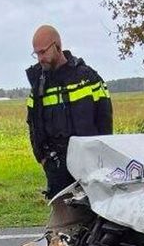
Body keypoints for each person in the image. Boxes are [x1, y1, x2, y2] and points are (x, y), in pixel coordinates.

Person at [26, 25, 112, 226]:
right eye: (36, 53)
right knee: (61, 230)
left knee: (95, 223)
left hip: (90, 166)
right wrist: (43, 158)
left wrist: (102, 157)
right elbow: (33, 125)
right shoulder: (38, 85)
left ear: (57, 46)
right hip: (57, 169)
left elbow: (105, 120)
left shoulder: (87, 78)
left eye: (43, 51)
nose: (40, 58)